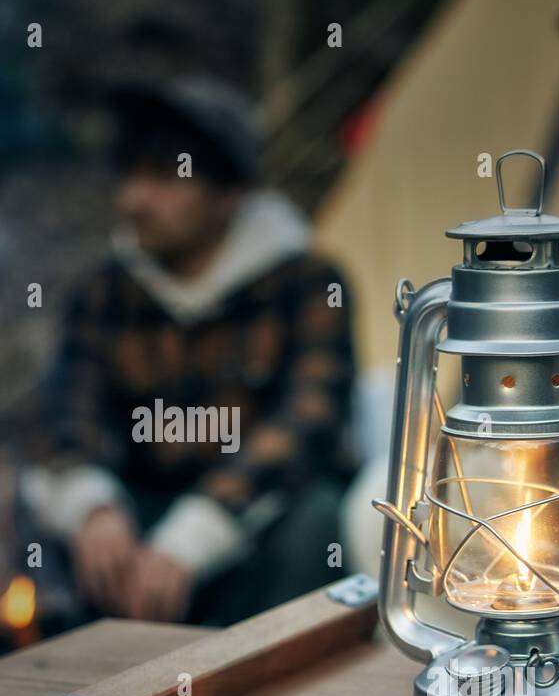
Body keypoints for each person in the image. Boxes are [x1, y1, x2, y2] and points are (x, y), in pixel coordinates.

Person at [25, 76, 357, 626]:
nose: (134, 199)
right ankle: (87, 693)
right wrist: (93, 503)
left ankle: (270, 691)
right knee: (54, 512)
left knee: (318, 520)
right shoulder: (106, 289)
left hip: (256, 515)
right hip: (144, 518)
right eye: (131, 175)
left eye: (164, 178)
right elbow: (65, 406)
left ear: (230, 193)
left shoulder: (307, 281)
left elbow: (310, 422)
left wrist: (202, 527)